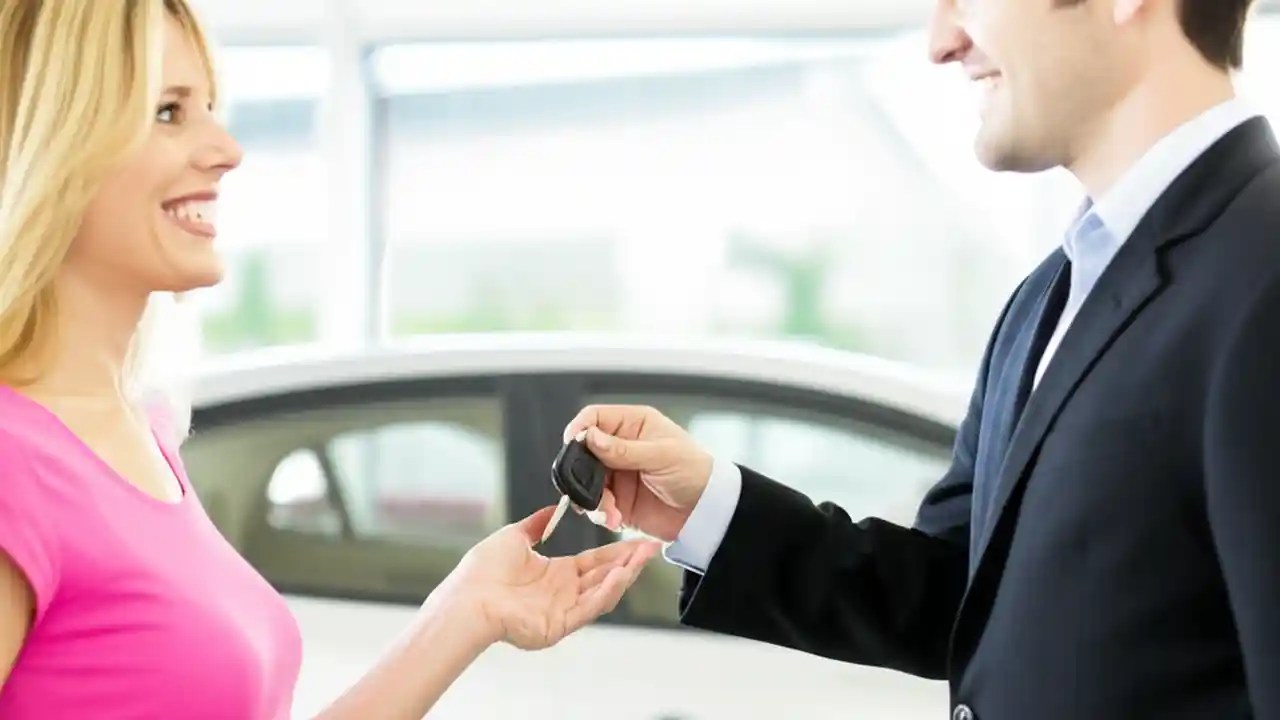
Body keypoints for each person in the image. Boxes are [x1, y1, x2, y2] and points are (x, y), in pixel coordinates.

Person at [566, 0, 1280, 718]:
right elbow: (960, 593)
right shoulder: (1051, 296)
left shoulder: (1262, 274)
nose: (944, 42)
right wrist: (709, 505)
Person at [0, 2, 660, 718]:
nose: (226, 148)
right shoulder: (13, 463)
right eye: (168, 112)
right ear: (53, 142)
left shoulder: (144, 432)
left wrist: (464, 612)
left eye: (211, 108)